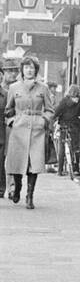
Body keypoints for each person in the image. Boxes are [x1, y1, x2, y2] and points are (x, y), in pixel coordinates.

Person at [4, 55, 55, 209]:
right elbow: (8, 109)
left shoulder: (43, 88)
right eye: (26, 67)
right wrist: (12, 120)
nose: (29, 70)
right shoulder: (14, 88)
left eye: (32, 67)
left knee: (34, 164)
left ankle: (30, 196)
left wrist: (44, 120)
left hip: (36, 131)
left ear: (36, 70)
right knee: (18, 163)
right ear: (22, 70)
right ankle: (18, 187)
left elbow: (50, 110)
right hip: (19, 130)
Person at [53, 84, 80, 178]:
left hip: (64, 126)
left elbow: (57, 112)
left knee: (62, 147)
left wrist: (56, 119)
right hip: (74, 127)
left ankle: (60, 170)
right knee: (76, 147)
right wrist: (78, 121)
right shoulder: (79, 103)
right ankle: (76, 170)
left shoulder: (64, 101)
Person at [0, 57, 20, 198]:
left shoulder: (20, 89)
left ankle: (12, 187)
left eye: (15, 71)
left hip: (14, 128)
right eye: (9, 71)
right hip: (2, 129)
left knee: (13, 159)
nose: (12, 74)